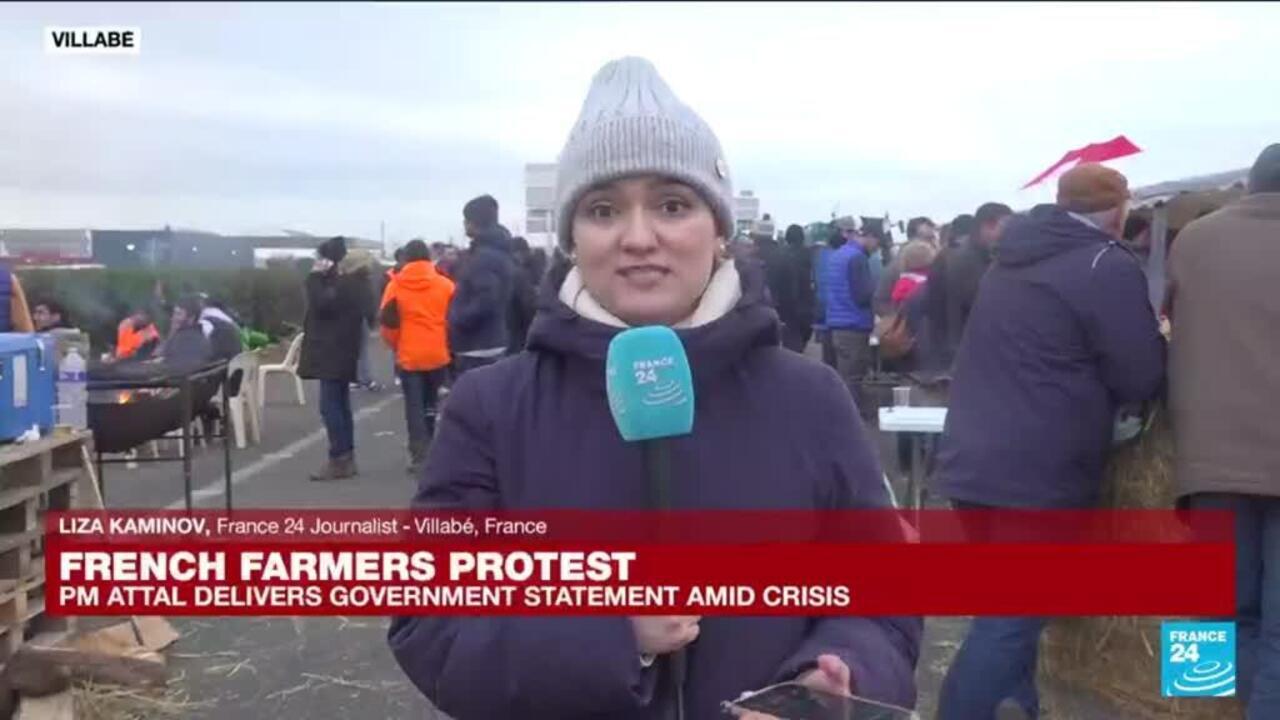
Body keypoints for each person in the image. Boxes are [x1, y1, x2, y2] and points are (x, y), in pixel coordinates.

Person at [388, 56, 920, 720]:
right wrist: (609, 634)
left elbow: (885, 597)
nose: (640, 238)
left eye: (672, 204)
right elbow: (429, 624)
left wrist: (831, 679)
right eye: (604, 209)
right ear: (573, 237)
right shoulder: (491, 408)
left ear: (719, 229)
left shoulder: (810, 397)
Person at [933, 164, 1166, 720]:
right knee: (1011, 622)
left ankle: (1023, 711)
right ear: (1116, 210)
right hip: (1037, 472)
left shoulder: (1010, 260)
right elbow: (1139, 375)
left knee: (1004, 615)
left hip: (971, 459)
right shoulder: (1103, 265)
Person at [1165, 143, 1280, 718]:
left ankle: (1197, 710)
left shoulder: (1194, 240)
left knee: (1213, 611)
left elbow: (1166, 322)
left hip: (1208, 457)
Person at [298, 236, 378, 482]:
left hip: (333, 351)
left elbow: (322, 304)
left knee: (330, 406)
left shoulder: (347, 286)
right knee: (341, 404)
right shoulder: (361, 285)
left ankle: (339, 457)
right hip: (344, 350)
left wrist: (313, 277)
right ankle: (346, 456)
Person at [379, 239, 455, 475]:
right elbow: (454, 318)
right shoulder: (446, 284)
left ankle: (419, 454)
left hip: (409, 353)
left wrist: (396, 344)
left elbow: (387, 323)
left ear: (407, 259)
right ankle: (433, 446)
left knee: (414, 406)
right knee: (432, 403)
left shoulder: (395, 286)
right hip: (438, 352)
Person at [926, 204, 1012, 369]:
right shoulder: (965, 260)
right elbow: (974, 305)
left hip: (959, 348)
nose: (1008, 235)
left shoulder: (967, 255)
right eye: (1005, 227)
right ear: (987, 226)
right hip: (963, 352)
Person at [447, 195, 517, 377]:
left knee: (474, 402)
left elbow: (487, 298)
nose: (464, 225)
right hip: (492, 339)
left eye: (466, 220)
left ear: (473, 222)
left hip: (477, 346)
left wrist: (459, 319)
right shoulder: (499, 252)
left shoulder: (483, 257)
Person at [821, 215, 879, 418]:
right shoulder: (857, 258)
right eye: (876, 242)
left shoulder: (838, 255)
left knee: (842, 376)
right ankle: (849, 419)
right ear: (867, 237)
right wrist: (875, 290)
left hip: (836, 321)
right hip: (853, 324)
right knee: (852, 377)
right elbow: (862, 295)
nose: (876, 247)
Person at [874, 216, 938, 317]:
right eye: (927, 238)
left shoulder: (938, 265)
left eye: (933, 238)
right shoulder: (895, 267)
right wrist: (899, 320)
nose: (932, 243)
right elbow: (880, 301)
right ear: (912, 239)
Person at [778, 224, 815, 353]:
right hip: (807, 306)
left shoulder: (782, 255)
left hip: (788, 307)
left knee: (790, 344)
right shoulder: (810, 255)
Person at [158, 296, 215, 372]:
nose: (173, 318)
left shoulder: (186, 340)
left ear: (191, 318)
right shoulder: (197, 335)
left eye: (179, 314)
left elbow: (177, 369)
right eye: (174, 313)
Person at [507, 235, 539, 355]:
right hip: (520, 336)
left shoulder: (512, 271)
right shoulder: (520, 273)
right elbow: (529, 307)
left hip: (510, 336)